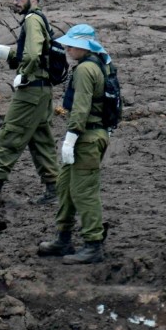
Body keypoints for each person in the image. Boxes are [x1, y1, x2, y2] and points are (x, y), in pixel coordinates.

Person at [0, 0, 59, 208]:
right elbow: (30, 54)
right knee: (40, 139)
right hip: (41, 91)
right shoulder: (38, 19)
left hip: (30, 91)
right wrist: (3, 52)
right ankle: (55, 188)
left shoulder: (32, 20)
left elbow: (31, 57)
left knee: (10, 135)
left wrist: (25, 73)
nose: (15, 1)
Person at [37, 24, 113, 263]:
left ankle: (93, 244)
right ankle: (63, 238)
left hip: (87, 137)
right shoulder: (97, 63)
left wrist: (70, 138)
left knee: (83, 192)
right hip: (89, 135)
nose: (68, 48)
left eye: (72, 44)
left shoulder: (85, 70)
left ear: (84, 46)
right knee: (66, 186)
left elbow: (81, 108)